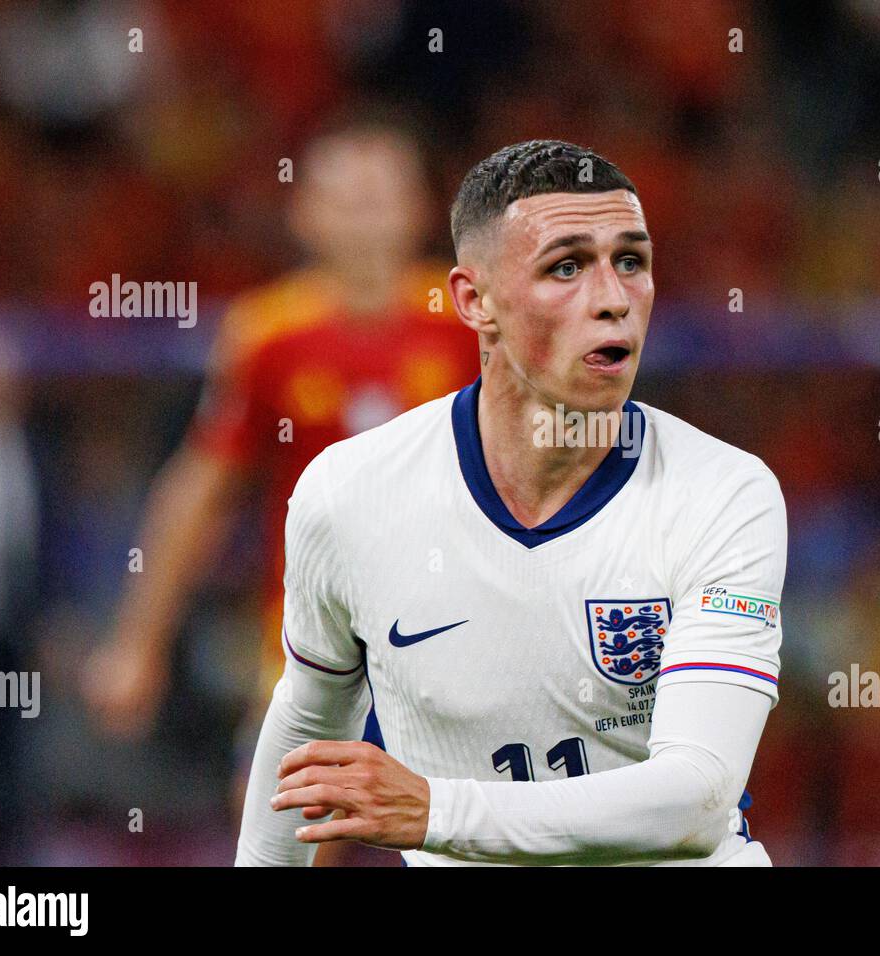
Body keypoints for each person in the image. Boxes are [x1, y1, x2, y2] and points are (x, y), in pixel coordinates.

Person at [236, 140, 788, 866]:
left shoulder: (723, 495)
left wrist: (438, 809)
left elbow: (695, 799)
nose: (613, 299)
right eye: (567, 266)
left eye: (630, 261)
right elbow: (307, 723)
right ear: (475, 302)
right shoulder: (347, 495)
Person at [82, 120, 475, 747]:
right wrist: (137, 643)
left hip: (462, 636)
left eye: (380, 198)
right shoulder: (267, 334)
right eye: (346, 201)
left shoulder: (472, 320)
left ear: (421, 209)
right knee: (278, 829)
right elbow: (199, 490)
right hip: (309, 638)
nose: (364, 219)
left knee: (464, 835)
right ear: (306, 215)